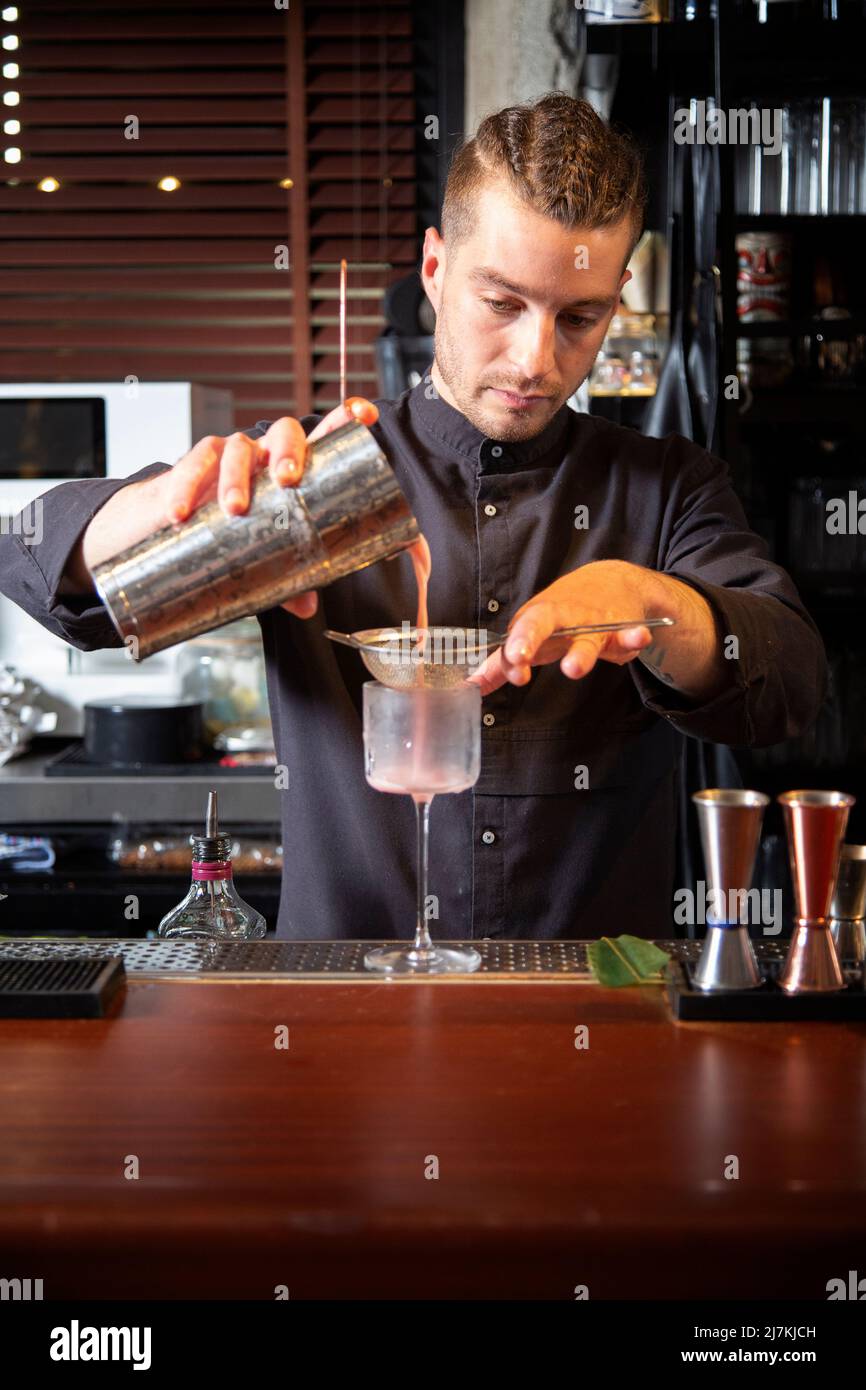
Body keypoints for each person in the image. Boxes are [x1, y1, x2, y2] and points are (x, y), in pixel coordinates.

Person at [0, 93, 825, 942]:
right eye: (501, 303)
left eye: (579, 317)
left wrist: (660, 608)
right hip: (336, 1025)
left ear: (618, 297)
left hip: (599, 1026)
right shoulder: (312, 482)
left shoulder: (668, 488)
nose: (536, 360)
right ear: (434, 270)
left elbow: (790, 684)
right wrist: (165, 506)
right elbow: (32, 565)